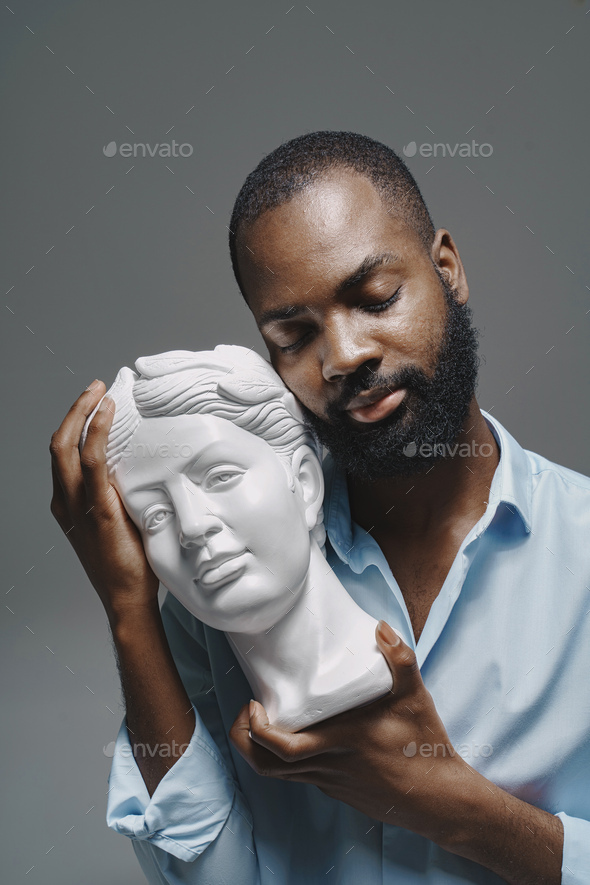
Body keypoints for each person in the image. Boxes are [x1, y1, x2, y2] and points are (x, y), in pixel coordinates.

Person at [50, 131, 590, 884]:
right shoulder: (222, 588)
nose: (343, 354)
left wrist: (448, 805)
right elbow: (209, 875)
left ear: (447, 268)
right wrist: (129, 609)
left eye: (376, 298)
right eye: (293, 335)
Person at [79, 345, 393, 732]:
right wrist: (126, 604)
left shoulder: (379, 660)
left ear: (306, 484)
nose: (192, 527)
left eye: (220, 477)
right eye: (156, 515)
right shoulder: (196, 674)